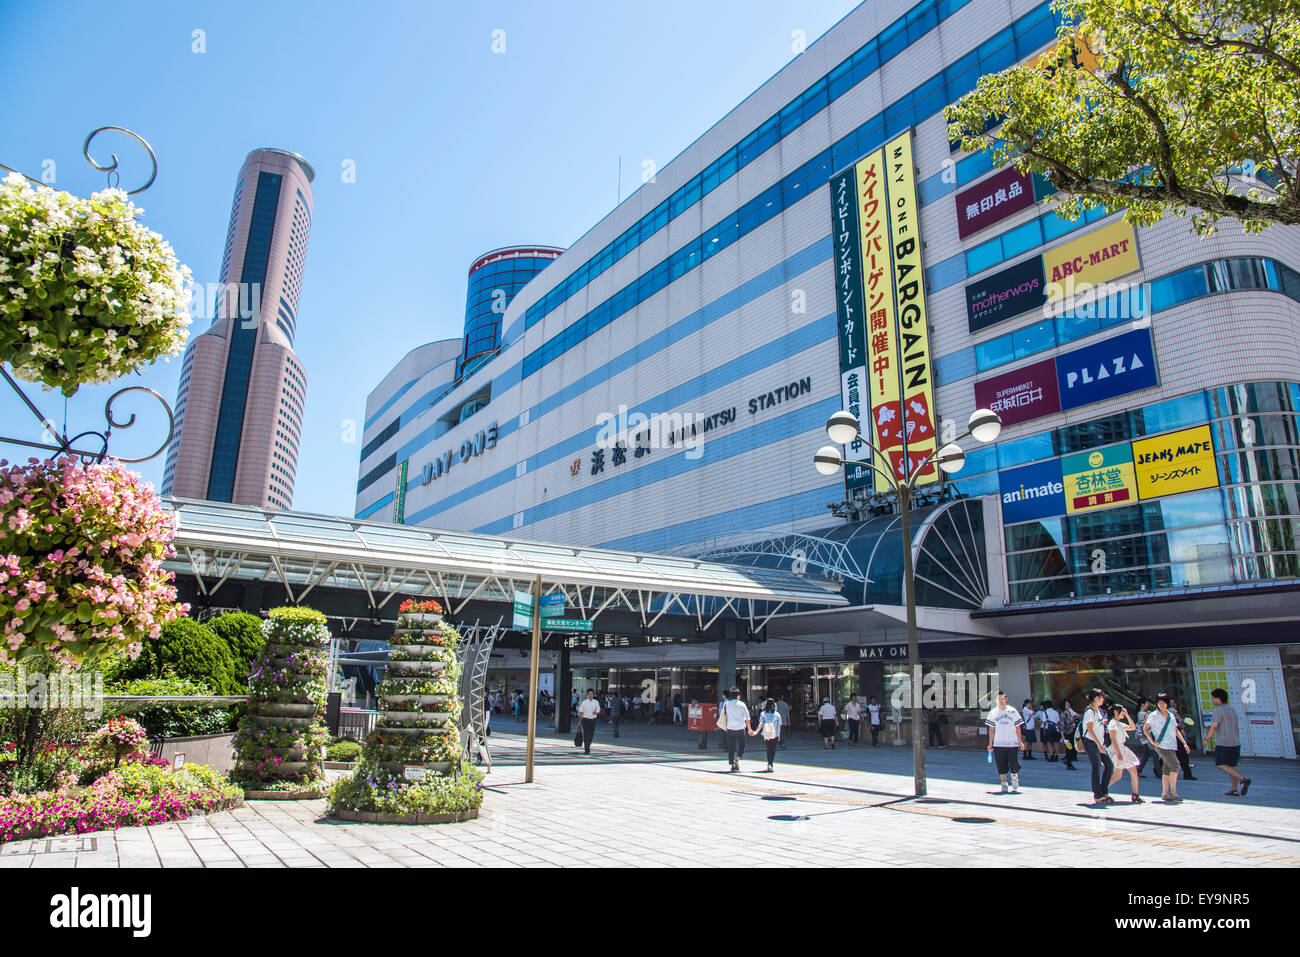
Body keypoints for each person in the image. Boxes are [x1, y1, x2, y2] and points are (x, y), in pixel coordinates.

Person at [1205, 688, 1250, 796]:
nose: (1212, 700)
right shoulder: (1232, 709)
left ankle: (1242, 779)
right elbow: (1237, 728)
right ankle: (1234, 789)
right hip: (1235, 742)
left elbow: (1215, 726)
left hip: (1224, 742)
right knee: (1232, 766)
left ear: (1218, 698)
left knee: (1220, 764)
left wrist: (1207, 739)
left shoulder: (1218, 710)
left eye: (1213, 698)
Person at [1144, 693, 1187, 803]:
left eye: (1163, 703)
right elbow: (1146, 728)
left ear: (1167, 704)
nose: (1161, 705)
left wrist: (1184, 743)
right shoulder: (1153, 715)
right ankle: (1173, 792)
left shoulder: (1171, 715)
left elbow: (1176, 730)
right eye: (1159, 703)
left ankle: (1165, 793)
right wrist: (1153, 741)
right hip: (1161, 745)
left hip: (1171, 744)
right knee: (1175, 766)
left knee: (1167, 769)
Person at [1079, 688, 1114, 805]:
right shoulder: (1090, 712)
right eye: (1102, 697)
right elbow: (1089, 728)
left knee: (1109, 765)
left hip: (1099, 742)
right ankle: (1097, 795)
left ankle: (1104, 791)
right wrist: (1099, 745)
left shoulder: (1097, 710)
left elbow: (1097, 725)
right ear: (1097, 698)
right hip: (1092, 743)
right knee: (1097, 767)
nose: (1103, 699)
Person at [985, 691, 1025, 793]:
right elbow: (991, 729)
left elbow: (1018, 727)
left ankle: (1014, 777)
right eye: (998, 699)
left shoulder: (1012, 711)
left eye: (1002, 698)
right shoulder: (993, 712)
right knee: (1001, 765)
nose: (1001, 701)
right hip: (998, 743)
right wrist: (990, 743)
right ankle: (1004, 783)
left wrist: (1020, 741)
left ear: (1006, 699)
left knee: (1013, 764)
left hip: (1012, 743)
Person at [1106, 704, 1144, 803]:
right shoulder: (1113, 723)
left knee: (1132, 772)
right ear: (1115, 712)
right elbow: (1113, 739)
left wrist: (1127, 716)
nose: (1123, 713)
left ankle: (1135, 795)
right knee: (1117, 775)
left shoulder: (1118, 723)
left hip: (1122, 749)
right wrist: (1118, 753)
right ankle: (1102, 790)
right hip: (1118, 749)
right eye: (1121, 711)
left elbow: (1132, 727)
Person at [719, 687, 753, 772]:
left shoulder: (726, 704)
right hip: (740, 728)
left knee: (731, 746)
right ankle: (737, 759)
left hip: (730, 728)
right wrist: (749, 729)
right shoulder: (741, 704)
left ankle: (732, 764)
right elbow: (747, 718)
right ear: (738, 696)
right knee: (742, 745)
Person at [1168, 696, 1198, 780]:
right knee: (1180, 755)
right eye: (1171, 702)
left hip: (1173, 736)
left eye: (1174, 702)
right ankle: (1187, 774)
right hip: (1172, 737)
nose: (1173, 704)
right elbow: (1180, 722)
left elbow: (1181, 724)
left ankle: (1187, 774)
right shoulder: (1171, 711)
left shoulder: (1165, 712)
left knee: (1176, 755)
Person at [756, 698, 782, 772]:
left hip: (766, 734)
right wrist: (779, 734)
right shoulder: (777, 714)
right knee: (773, 750)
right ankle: (771, 764)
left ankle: (769, 764)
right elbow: (779, 726)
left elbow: (760, 724)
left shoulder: (763, 714)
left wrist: (756, 731)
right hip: (775, 734)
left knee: (768, 749)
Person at [1059, 699, 1079, 769]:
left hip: (1072, 733)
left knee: (1072, 748)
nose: (1068, 705)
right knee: (1069, 749)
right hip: (1067, 733)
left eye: (1068, 704)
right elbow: (1061, 726)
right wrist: (1062, 736)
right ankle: (1069, 763)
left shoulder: (1069, 713)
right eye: (1066, 704)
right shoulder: (1063, 714)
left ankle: (1068, 761)